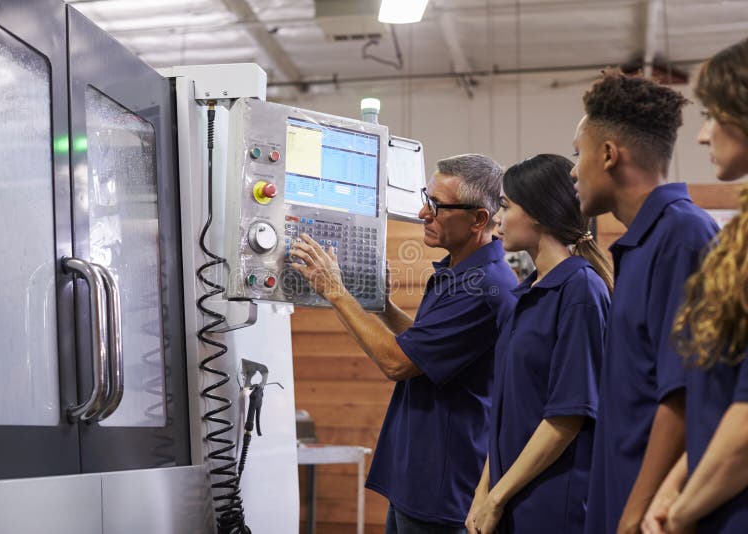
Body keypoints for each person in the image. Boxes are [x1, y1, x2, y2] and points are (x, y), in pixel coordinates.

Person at [290, 154, 518, 533]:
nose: (422, 213)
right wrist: (384, 307)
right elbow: (427, 350)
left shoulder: (484, 286)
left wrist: (334, 290)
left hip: (442, 485)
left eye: (437, 206)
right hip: (416, 478)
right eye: (426, 199)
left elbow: (397, 362)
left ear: (479, 219)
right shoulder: (460, 274)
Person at [573, 69, 720, 534]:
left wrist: (632, 517)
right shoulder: (641, 243)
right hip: (616, 492)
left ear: (608, 154)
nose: (573, 171)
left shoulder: (683, 235)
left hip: (647, 513)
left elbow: (683, 395)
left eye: (578, 154)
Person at [465, 154, 612, 534]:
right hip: (509, 500)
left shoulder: (580, 290)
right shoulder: (527, 294)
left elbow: (567, 417)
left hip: (551, 506)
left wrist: (497, 497)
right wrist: (483, 492)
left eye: (506, 206)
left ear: (539, 214)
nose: (497, 219)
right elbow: (507, 412)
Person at [642, 37, 748, 534]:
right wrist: (673, 487)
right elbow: (719, 401)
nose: (703, 136)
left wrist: (681, 512)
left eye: (712, 115)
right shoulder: (736, 240)